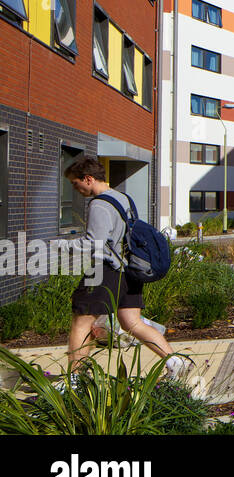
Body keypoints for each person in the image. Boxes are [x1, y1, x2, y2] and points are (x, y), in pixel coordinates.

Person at [62, 155, 187, 379]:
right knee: (132, 322)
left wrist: (60, 245)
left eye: (75, 183)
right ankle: (174, 362)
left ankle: (75, 380)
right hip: (130, 271)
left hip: (105, 270)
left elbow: (95, 243)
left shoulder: (99, 204)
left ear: (88, 178)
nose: (75, 188)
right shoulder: (123, 198)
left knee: (82, 320)